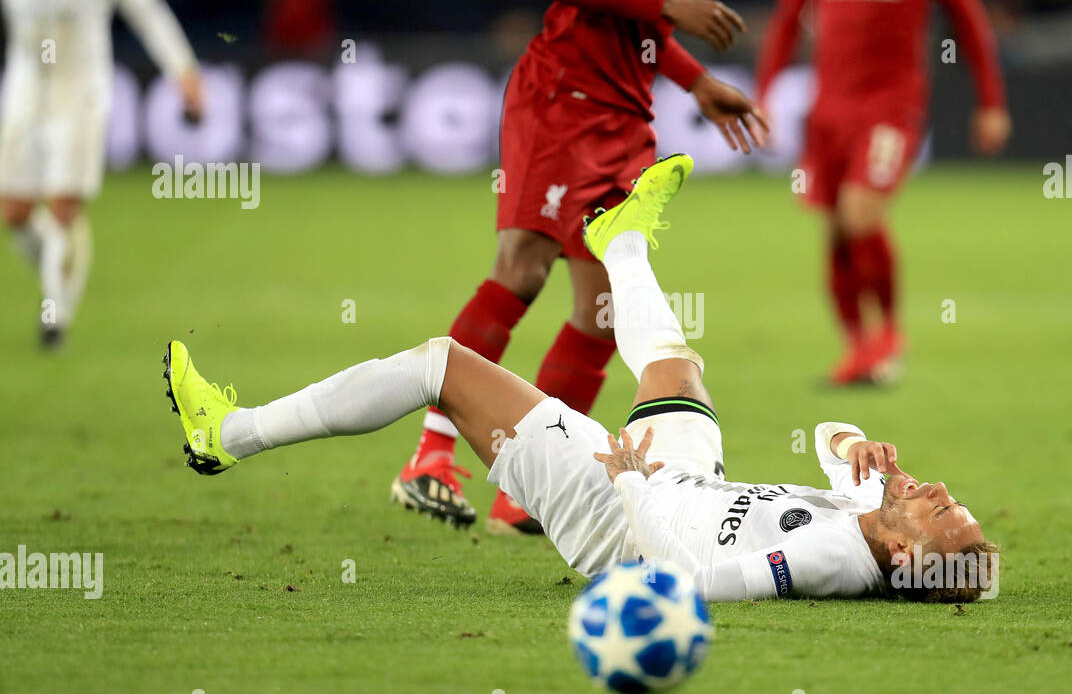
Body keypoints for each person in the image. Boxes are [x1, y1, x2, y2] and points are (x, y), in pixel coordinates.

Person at [163, 155, 995, 602]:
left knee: (439, 366)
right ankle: (622, 238)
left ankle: (226, 435)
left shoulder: (828, 561)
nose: (940, 489)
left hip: (621, 521)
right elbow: (826, 441)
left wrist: (632, 485)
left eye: (939, 513)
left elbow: (685, 583)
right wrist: (852, 444)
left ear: (897, 552)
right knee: (678, 366)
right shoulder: (874, 520)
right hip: (685, 483)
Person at [389, 0, 768, 536]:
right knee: (523, 269)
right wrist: (672, 3)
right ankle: (431, 457)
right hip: (563, 96)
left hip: (625, 115)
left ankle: (527, 490)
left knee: (602, 311)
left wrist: (696, 80)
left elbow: (637, 19)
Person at [755, 0, 1009, 385]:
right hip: (828, 107)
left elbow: (968, 20)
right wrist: (763, 95)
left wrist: (991, 101)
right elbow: (787, 19)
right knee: (836, 228)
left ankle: (889, 333)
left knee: (861, 210)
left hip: (891, 104)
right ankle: (860, 349)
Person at [0, 0, 203, 348]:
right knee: (15, 212)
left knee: (65, 204)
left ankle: (56, 312)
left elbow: (146, 9)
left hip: (80, 88)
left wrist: (183, 70)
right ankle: (59, 263)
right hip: (25, 85)